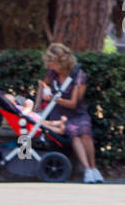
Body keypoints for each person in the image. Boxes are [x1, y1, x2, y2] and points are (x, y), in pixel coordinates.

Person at [33, 42, 102, 183]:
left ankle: (94, 169)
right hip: (59, 114)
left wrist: (54, 98)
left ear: (62, 63)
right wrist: (38, 103)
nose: (50, 67)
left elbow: (73, 103)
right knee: (74, 134)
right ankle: (87, 169)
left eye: (52, 63)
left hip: (77, 112)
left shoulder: (79, 76)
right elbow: (42, 85)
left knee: (85, 133)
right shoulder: (52, 74)